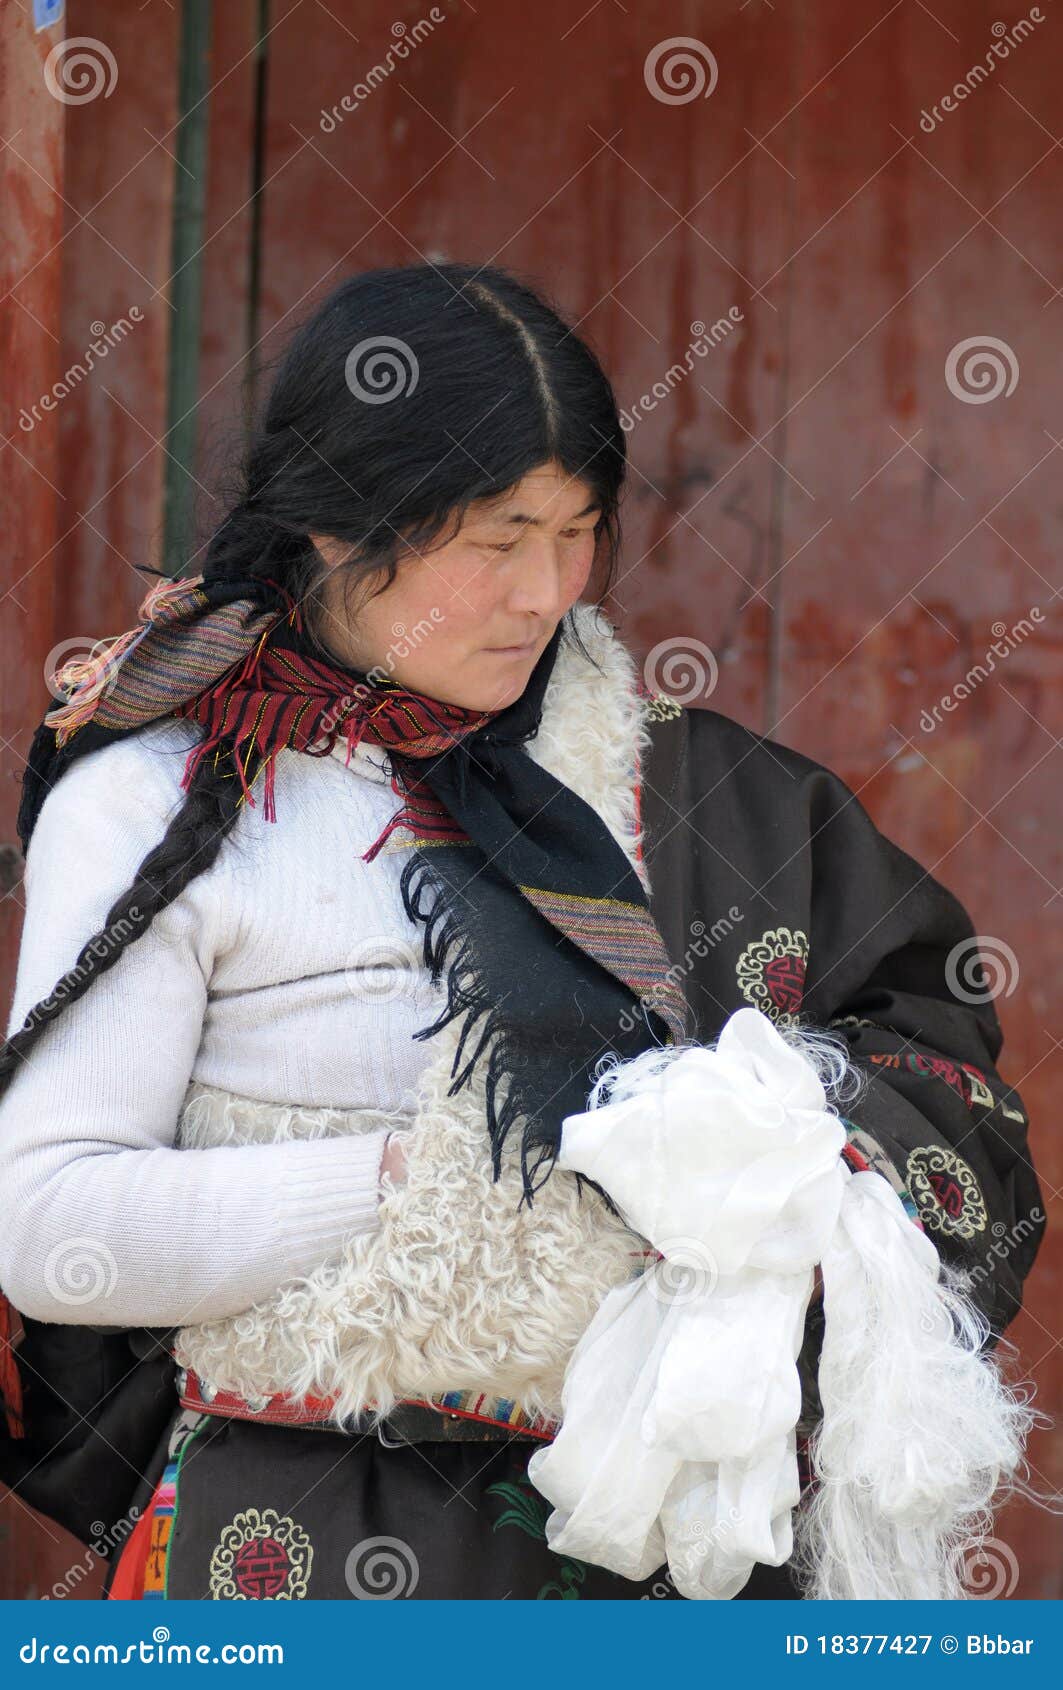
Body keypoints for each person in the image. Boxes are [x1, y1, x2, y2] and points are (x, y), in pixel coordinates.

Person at [0, 263, 1044, 1602]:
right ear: (334, 526)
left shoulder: (692, 797)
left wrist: (774, 1139)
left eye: (579, 530)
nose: (546, 590)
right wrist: (440, 1182)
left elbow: (936, 1061)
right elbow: (50, 1222)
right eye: (496, 540)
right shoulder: (161, 796)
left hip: (669, 1550)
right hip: (301, 1542)